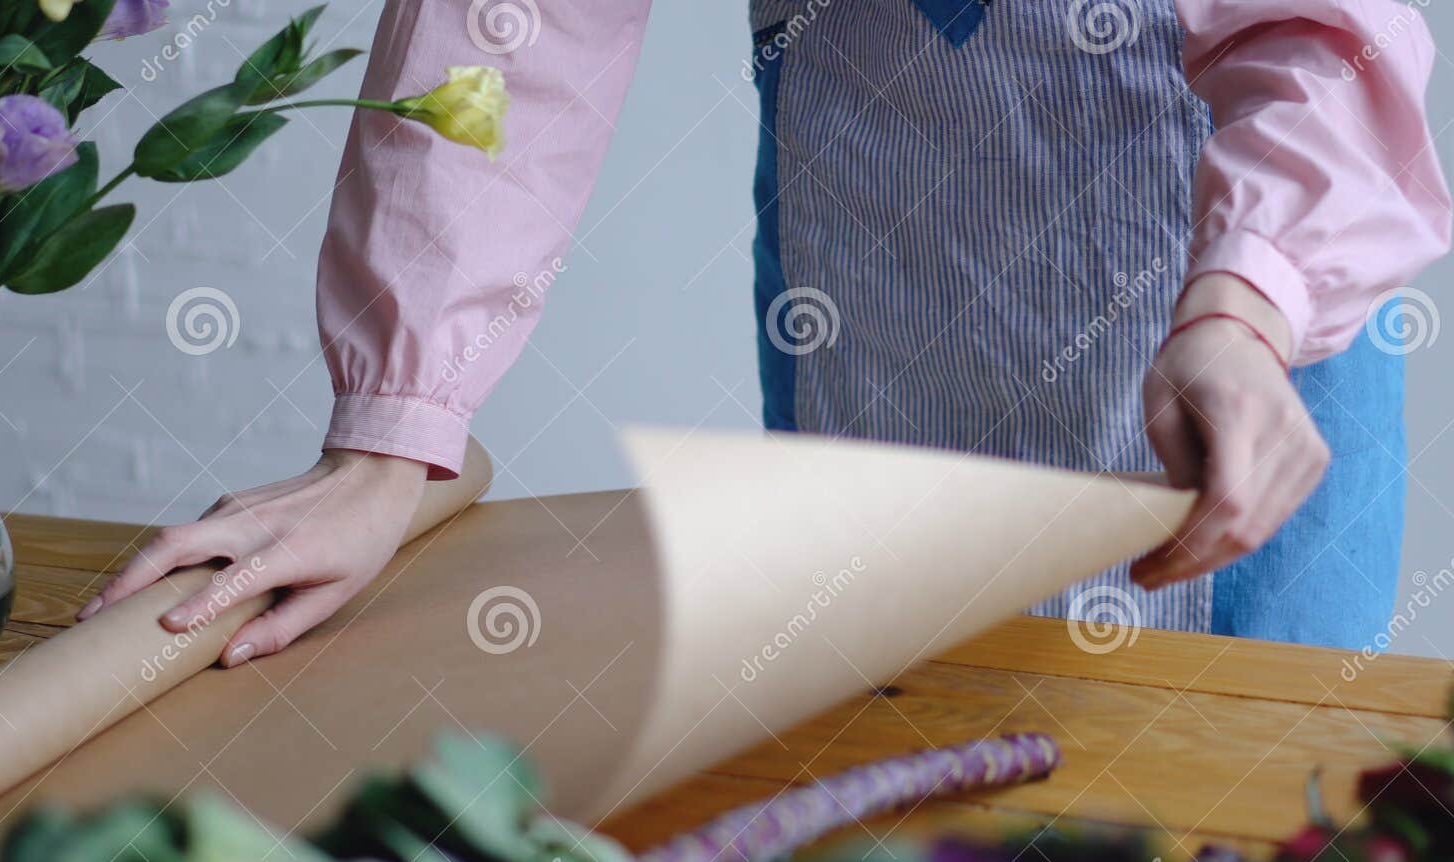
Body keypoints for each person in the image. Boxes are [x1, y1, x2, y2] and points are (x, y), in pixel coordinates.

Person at [78, 0, 1451, 662]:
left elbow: (1318, 38)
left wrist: (1245, 304)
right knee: (924, 846)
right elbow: (518, 23)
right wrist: (393, 431)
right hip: (873, 321)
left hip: (1244, 353)